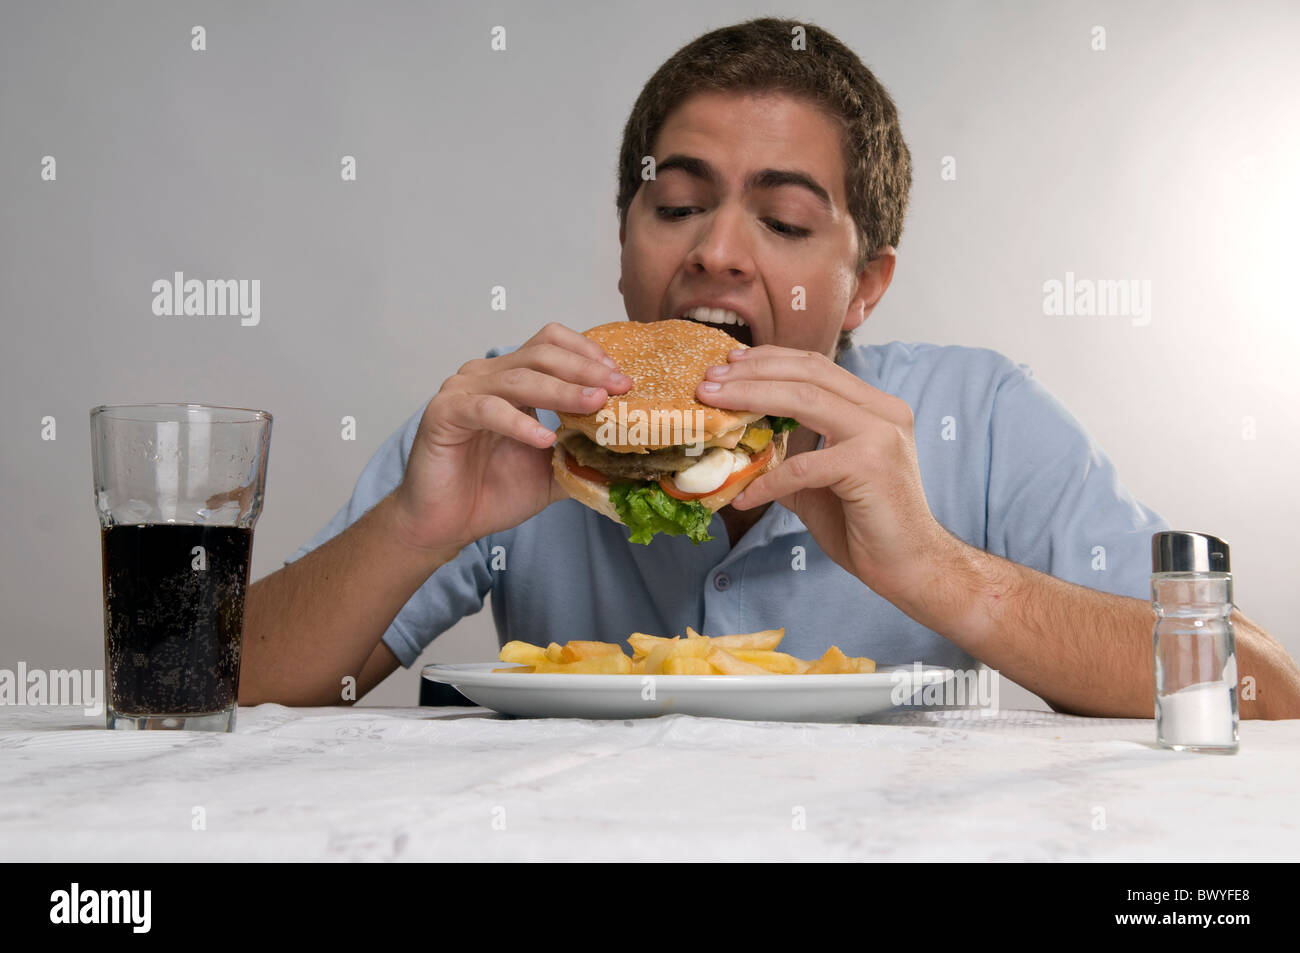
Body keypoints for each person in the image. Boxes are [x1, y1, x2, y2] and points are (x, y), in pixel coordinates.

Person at [237, 17, 1300, 717]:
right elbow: (218, 689)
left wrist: (938, 572)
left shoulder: (974, 414)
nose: (714, 251)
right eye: (677, 206)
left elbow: (1260, 689)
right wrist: (417, 527)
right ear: (624, 248)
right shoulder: (511, 417)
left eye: (784, 218)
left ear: (865, 286)